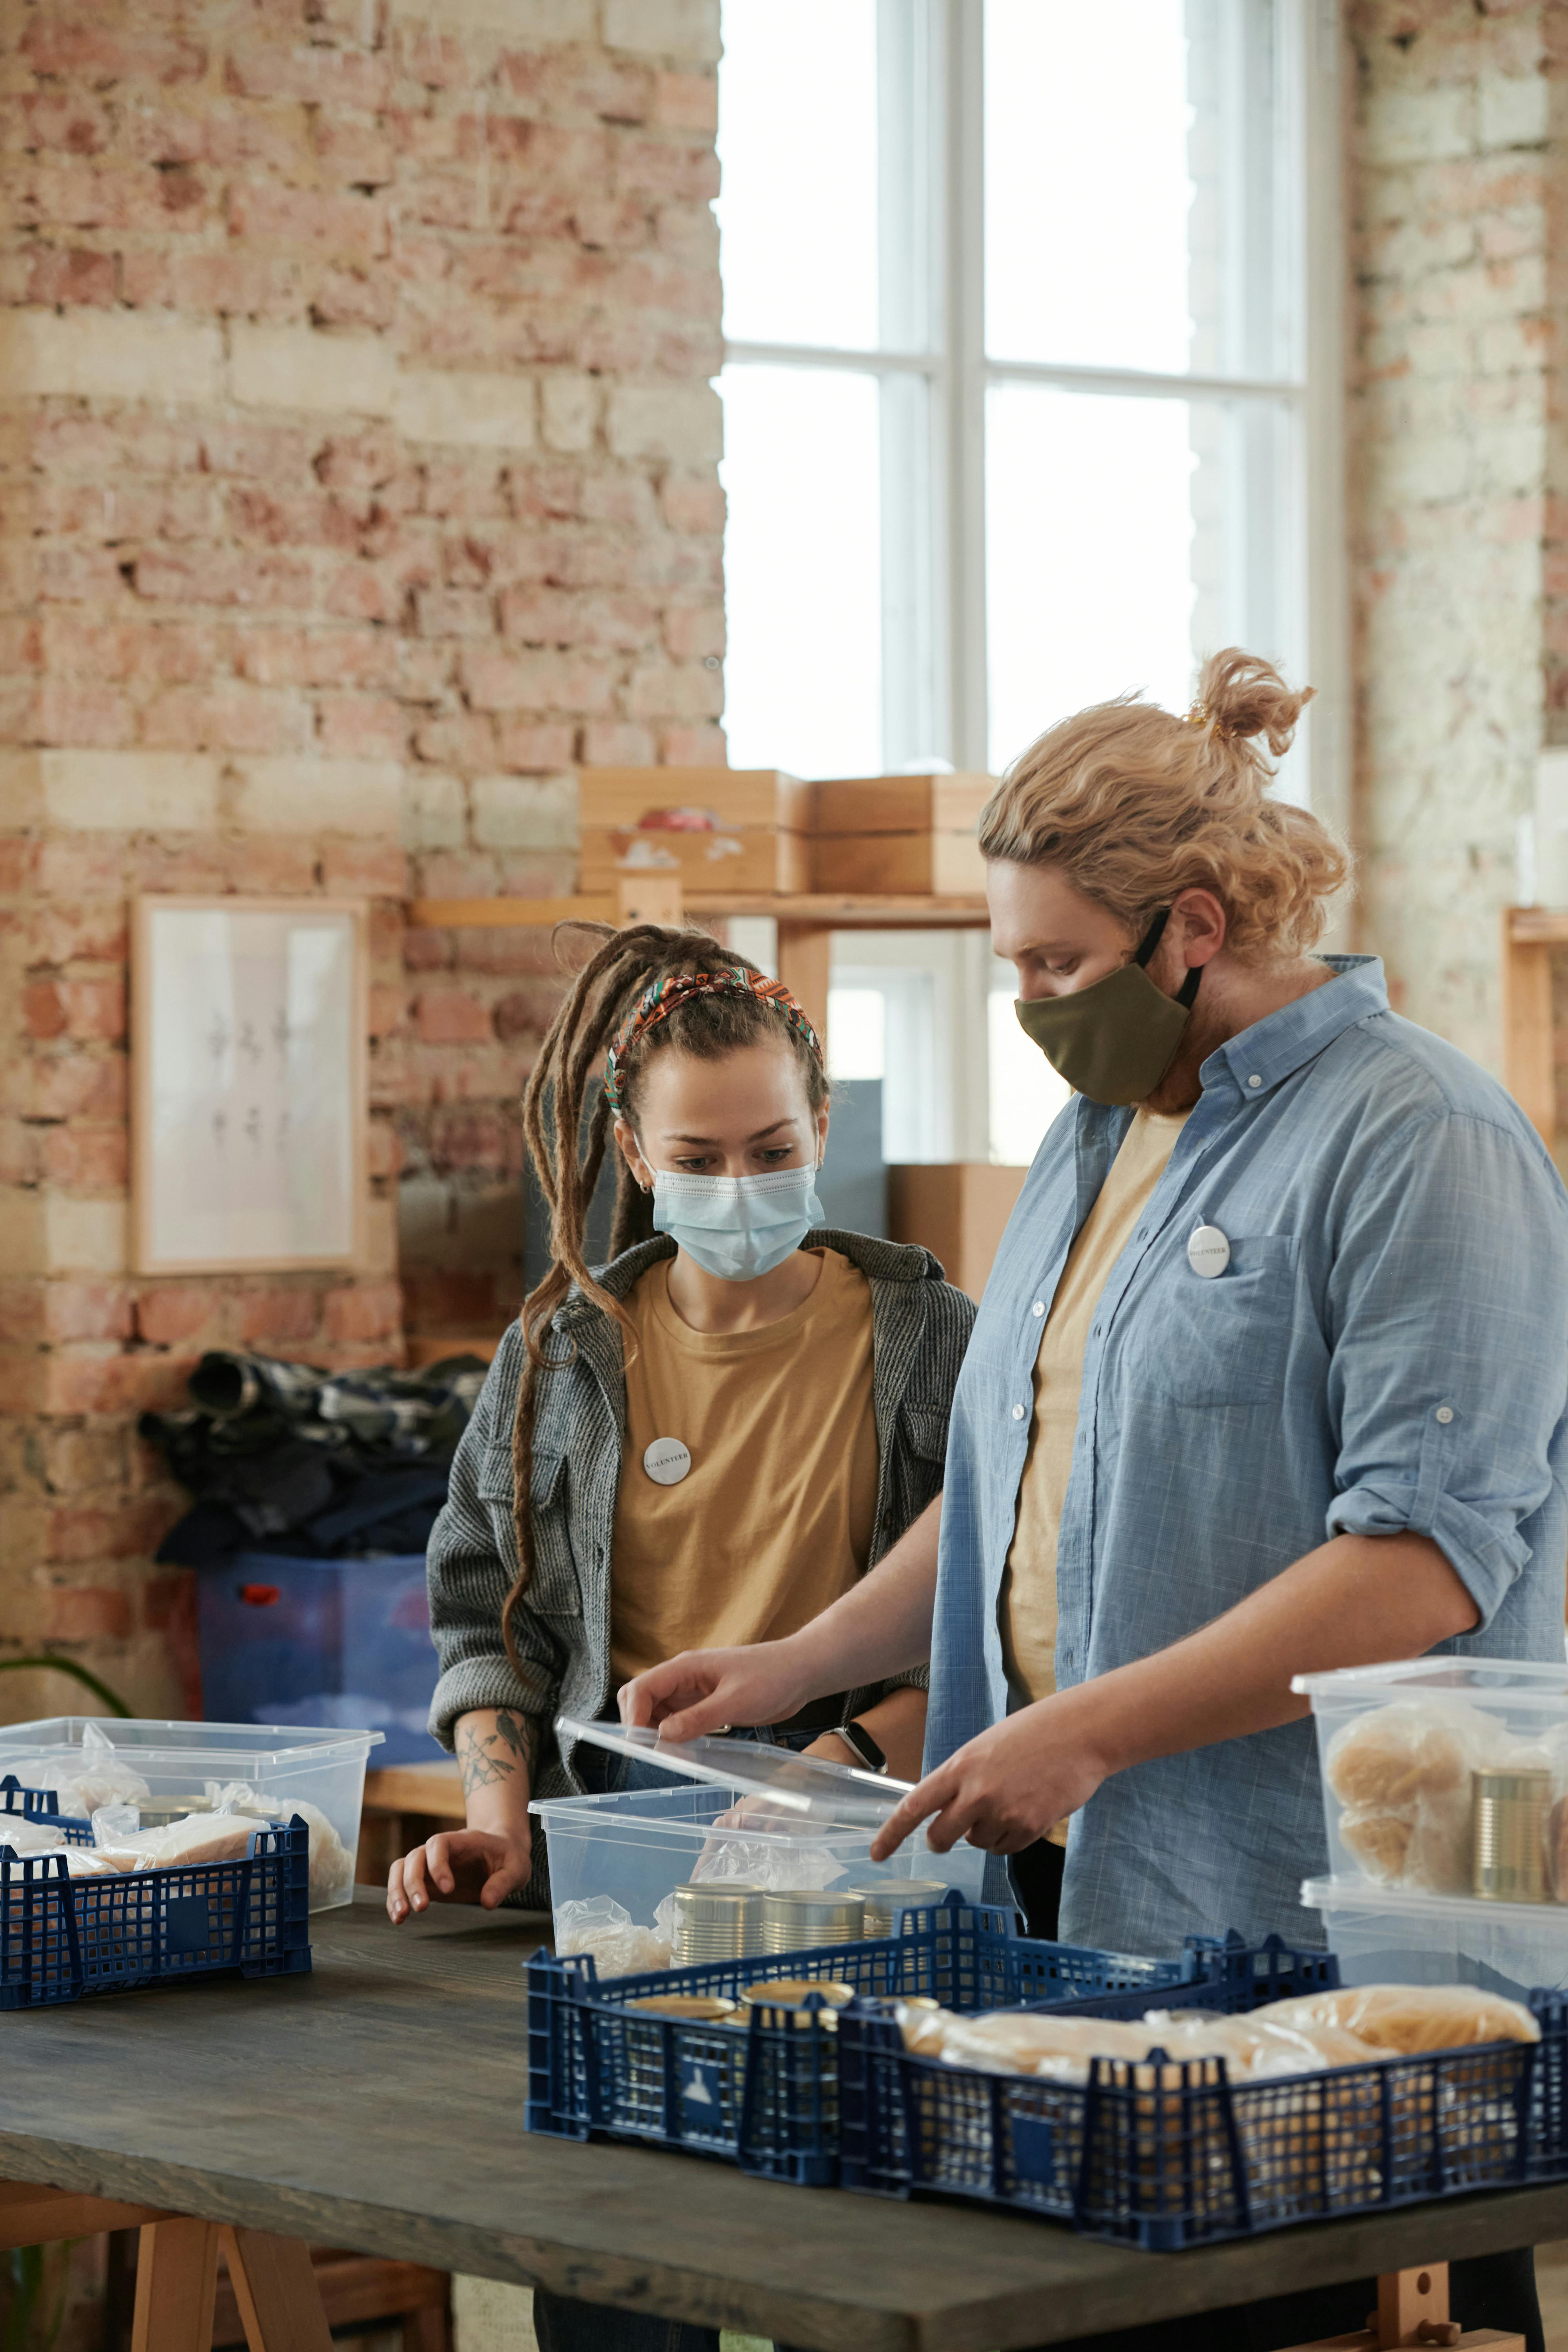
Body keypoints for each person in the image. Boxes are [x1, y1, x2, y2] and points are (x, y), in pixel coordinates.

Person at [623, 653, 1568, 2352]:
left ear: (1192, 927)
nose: (1034, 1004)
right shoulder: (1094, 1135)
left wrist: (1094, 1731)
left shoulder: (1420, 1138)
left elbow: (1424, 1563)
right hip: (1072, 1920)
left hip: (1327, 1958)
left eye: (1056, 963)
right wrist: (799, 1661)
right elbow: (1013, 1483)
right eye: (1011, 966)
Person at [385, 922, 976, 2352]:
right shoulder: (561, 1351)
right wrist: (500, 1817)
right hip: (626, 1846)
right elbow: (486, 1605)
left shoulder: (929, 1336)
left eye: (771, 1148)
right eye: (699, 1160)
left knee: (880, 2260)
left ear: (824, 1126)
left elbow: (994, 1614)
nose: (739, 1186)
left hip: (873, 1832)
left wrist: (833, 1772)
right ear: (634, 1155)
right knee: (622, 2270)